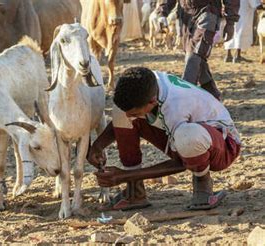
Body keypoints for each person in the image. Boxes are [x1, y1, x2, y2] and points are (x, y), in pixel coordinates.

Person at [88, 67, 241, 211]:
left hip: (223, 146)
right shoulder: (147, 84)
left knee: (188, 136)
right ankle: (136, 191)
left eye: (135, 113)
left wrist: (124, 176)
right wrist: (98, 145)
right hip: (185, 133)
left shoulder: (175, 106)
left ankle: (203, 183)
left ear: (152, 102)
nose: (130, 117)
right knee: (121, 111)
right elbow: (124, 115)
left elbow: (181, 164)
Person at [157, 0, 240, 100]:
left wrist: (230, 21)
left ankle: (184, 97)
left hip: (208, 12)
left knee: (195, 54)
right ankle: (212, 94)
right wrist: (162, 12)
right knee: (195, 57)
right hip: (186, 15)